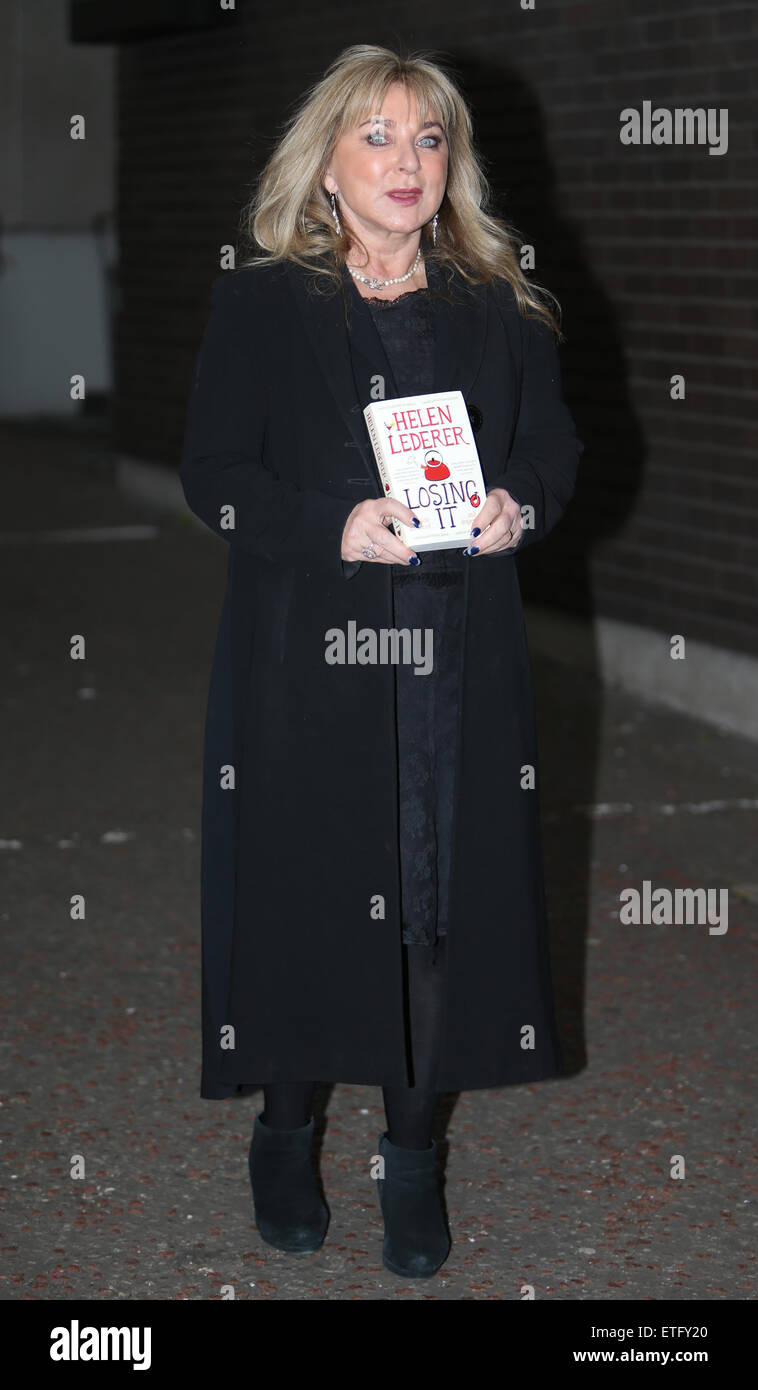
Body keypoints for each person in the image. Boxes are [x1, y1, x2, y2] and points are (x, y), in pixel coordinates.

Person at [180, 43, 583, 1280]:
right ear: (328, 162)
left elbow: (555, 452)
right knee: (310, 894)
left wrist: (520, 501)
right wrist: (332, 525)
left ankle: (411, 1161)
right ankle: (285, 1134)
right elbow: (215, 476)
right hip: (311, 660)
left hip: (456, 664)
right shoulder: (262, 302)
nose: (405, 163)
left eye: (427, 139)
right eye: (377, 137)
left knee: (436, 913)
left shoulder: (497, 300)